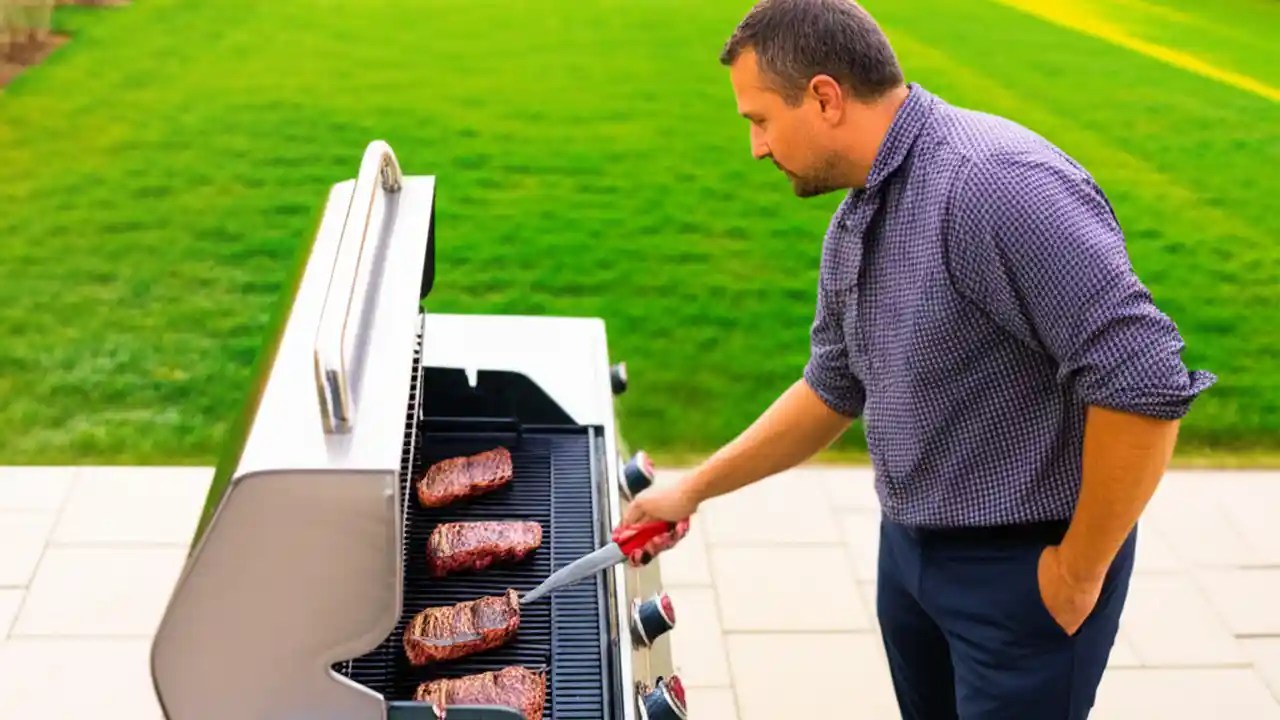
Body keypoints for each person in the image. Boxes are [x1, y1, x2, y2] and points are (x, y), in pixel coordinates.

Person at [621, 0, 1217, 717]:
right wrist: (693, 490)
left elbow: (1143, 382)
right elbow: (834, 387)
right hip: (909, 554)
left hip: (1023, 576)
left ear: (824, 97)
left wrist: (1077, 571)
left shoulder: (993, 185)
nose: (755, 145)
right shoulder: (859, 213)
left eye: (759, 119)